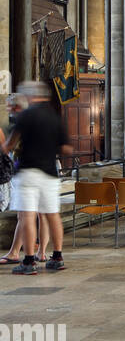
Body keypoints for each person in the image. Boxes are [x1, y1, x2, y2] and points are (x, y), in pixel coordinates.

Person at [1, 81, 71, 274]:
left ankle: (29, 261)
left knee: (27, 216)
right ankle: (57, 257)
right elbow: (66, 148)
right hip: (50, 173)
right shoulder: (55, 118)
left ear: (30, 96)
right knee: (52, 215)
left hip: (28, 172)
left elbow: (9, 145)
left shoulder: (26, 116)